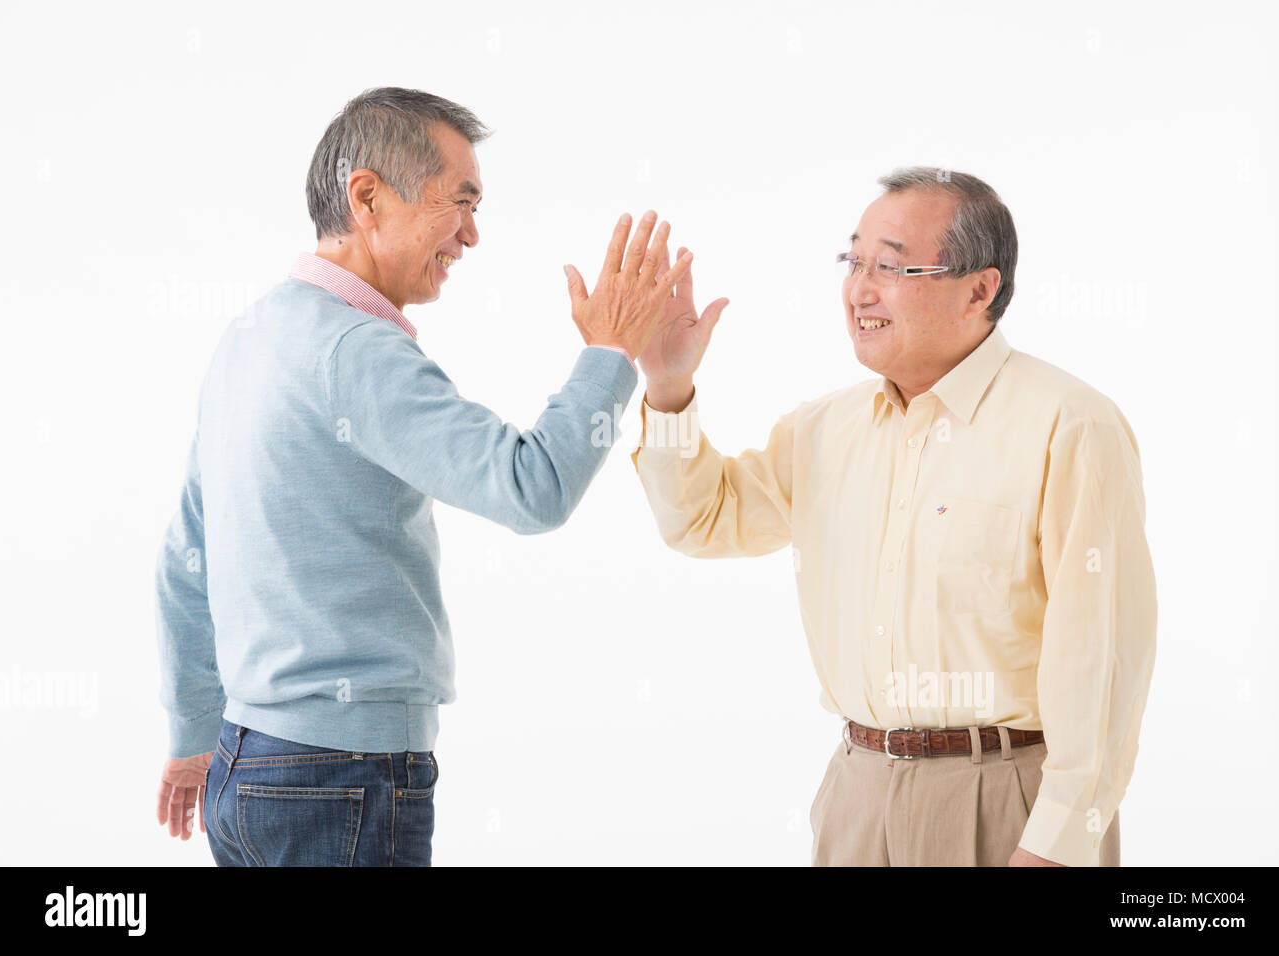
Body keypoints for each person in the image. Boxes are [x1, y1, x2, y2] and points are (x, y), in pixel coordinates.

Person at [153, 87, 692, 865]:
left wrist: (194, 733)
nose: (472, 234)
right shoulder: (355, 351)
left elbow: (183, 561)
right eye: (460, 203)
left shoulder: (249, 336)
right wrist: (610, 354)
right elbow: (532, 488)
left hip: (246, 770)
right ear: (367, 196)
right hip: (339, 778)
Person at [631, 166, 1156, 866]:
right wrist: (668, 388)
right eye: (853, 261)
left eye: (890, 266)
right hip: (858, 795)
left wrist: (1059, 841)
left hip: (1006, 803)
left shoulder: (1068, 424)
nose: (860, 290)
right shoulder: (824, 428)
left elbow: (1103, 661)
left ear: (980, 289)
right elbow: (701, 521)